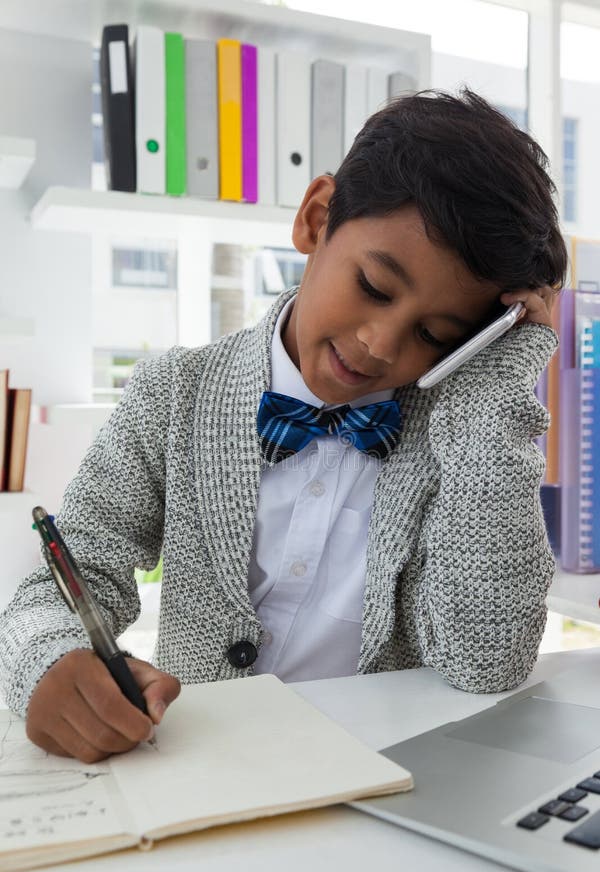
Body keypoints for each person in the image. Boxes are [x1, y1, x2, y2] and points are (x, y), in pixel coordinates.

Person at [0, 88, 568, 764]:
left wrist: (492, 398)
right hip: (198, 774)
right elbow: (68, 575)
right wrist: (46, 659)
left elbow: (488, 661)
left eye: (436, 334)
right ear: (316, 218)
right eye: (375, 289)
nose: (380, 344)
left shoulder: (460, 440)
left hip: (384, 785)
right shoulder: (175, 395)